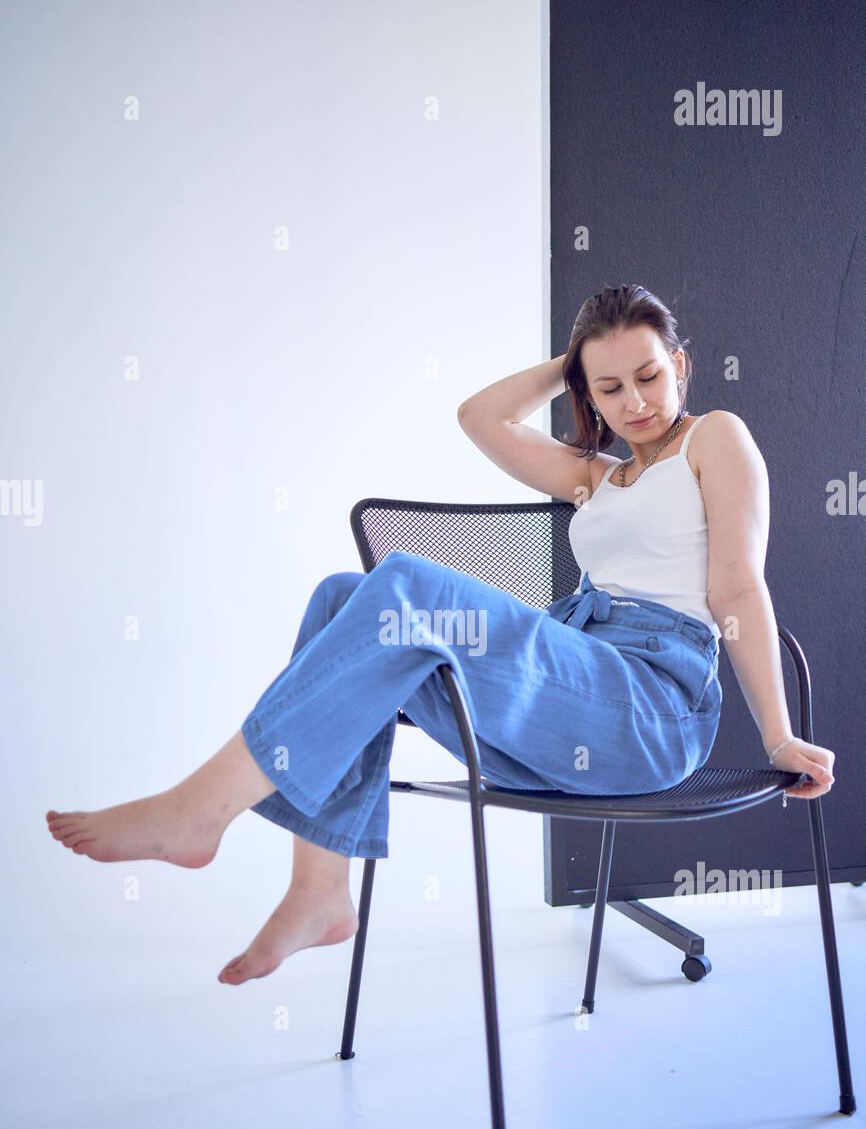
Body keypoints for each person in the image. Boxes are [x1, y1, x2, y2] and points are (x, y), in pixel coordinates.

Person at [45, 283, 835, 986]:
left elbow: (736, 586)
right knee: (339, 597)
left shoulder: (715, 439)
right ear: (586, 392)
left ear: (682, 368)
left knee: (406, 586)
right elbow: (478, 418)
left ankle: (199, 810)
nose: (635, 401)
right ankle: (320, 890)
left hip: (649, 711)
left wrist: (776, 736)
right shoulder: (594, 473)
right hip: (570, 689)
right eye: (609, 386)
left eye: (650, 375)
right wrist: (569, 360)